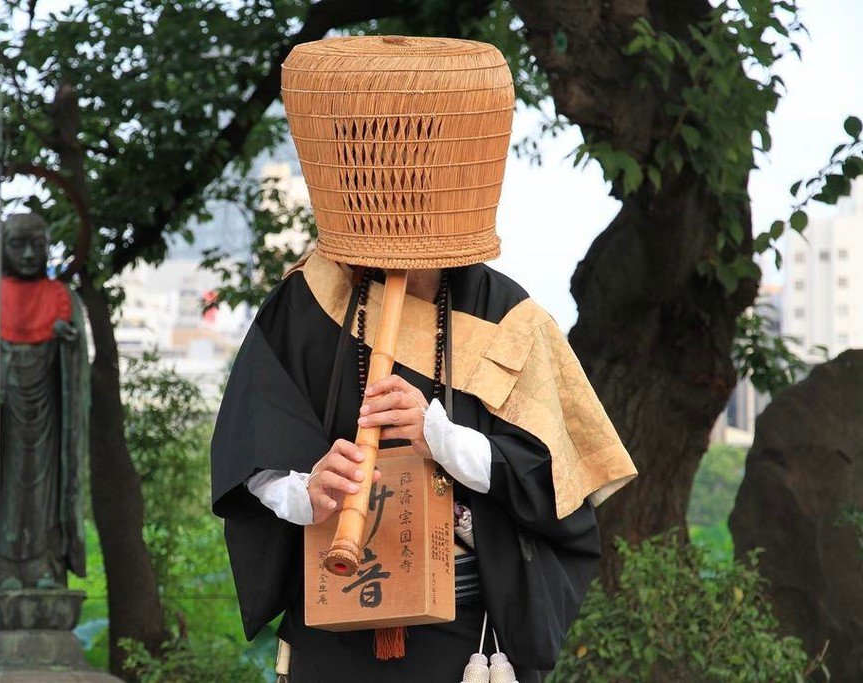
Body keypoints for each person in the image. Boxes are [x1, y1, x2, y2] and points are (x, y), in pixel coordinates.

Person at [211, 250, 635, 682]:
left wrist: (442, 438)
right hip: (333, 622)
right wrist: (305, 490)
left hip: (468, 634)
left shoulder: (510, 316)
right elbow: (250, 447)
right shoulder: (311, 295)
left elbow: (556, 482)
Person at [0, 212, 88, 591]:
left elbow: (78, 361)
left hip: (49, 416)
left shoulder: (63, 299)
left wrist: (67, 343)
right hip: (2, 416)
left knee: (46, 491)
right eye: (19, 245)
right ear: (2, 248)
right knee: (2, 492)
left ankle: (47, 567)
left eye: (38, 245)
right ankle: (2, 570)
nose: (30, 253)